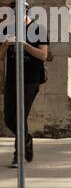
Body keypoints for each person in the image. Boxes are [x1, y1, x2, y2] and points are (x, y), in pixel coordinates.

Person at [4, 9, 49, 166]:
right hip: (11, 79)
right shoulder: (7, 29)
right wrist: (5, 44)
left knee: (19, 116)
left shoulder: (38, 29)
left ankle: (19, 155)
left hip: (30, 79)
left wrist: (23, 44)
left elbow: (43, 55)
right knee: (9, 118)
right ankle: (27, 139)